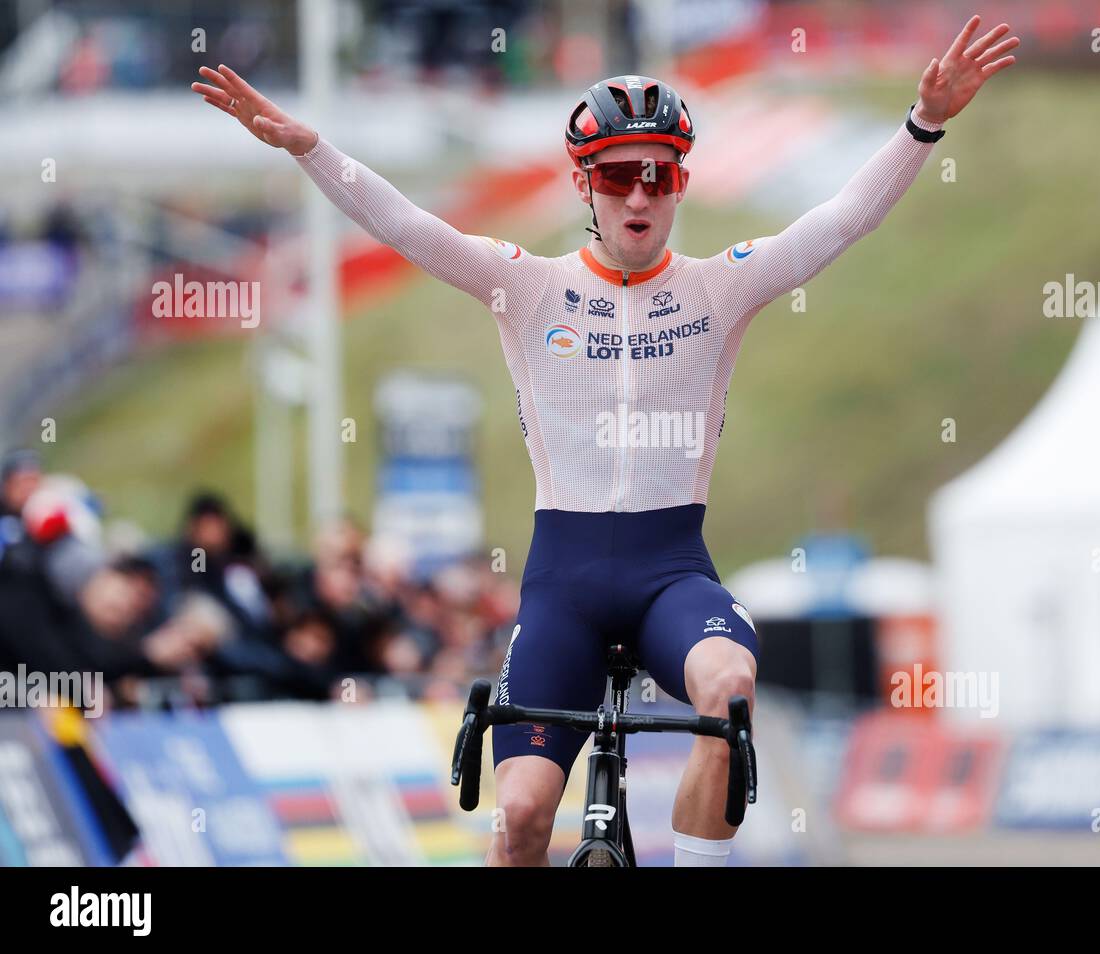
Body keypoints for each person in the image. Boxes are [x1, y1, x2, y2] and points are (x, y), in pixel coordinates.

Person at [192, 14, 1017, 866]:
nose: (638, 195)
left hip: (673, 577)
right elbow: (408, 228)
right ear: (584, 184)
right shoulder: (529, 286)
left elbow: (841, 221)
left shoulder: (718, 290)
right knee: (517, 820)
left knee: (729, 690)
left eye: (657, 177)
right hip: (562, 590)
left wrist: (923, 124)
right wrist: (307, 147)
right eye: (618, 175)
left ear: (681, 183)